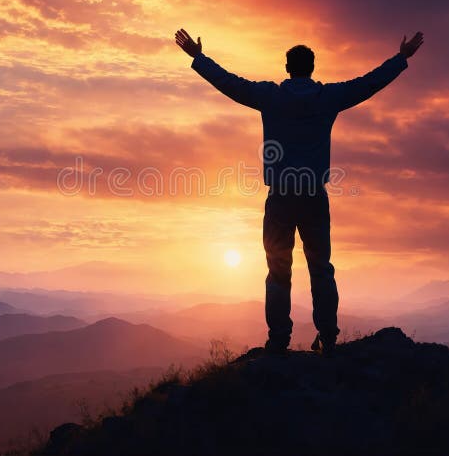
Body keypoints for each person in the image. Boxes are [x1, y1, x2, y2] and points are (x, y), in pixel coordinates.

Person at [175, 29, 424, 356]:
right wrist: (401, 59)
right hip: (313, 197)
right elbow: (368, 84)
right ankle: (329, 338)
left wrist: (198, 57)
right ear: (311, 68)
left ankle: (278, 339)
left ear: (287, 68)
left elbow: (230, 84)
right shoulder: (326, 98)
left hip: (280, 197)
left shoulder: (271, 97)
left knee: (278, 269)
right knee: (321, 267)